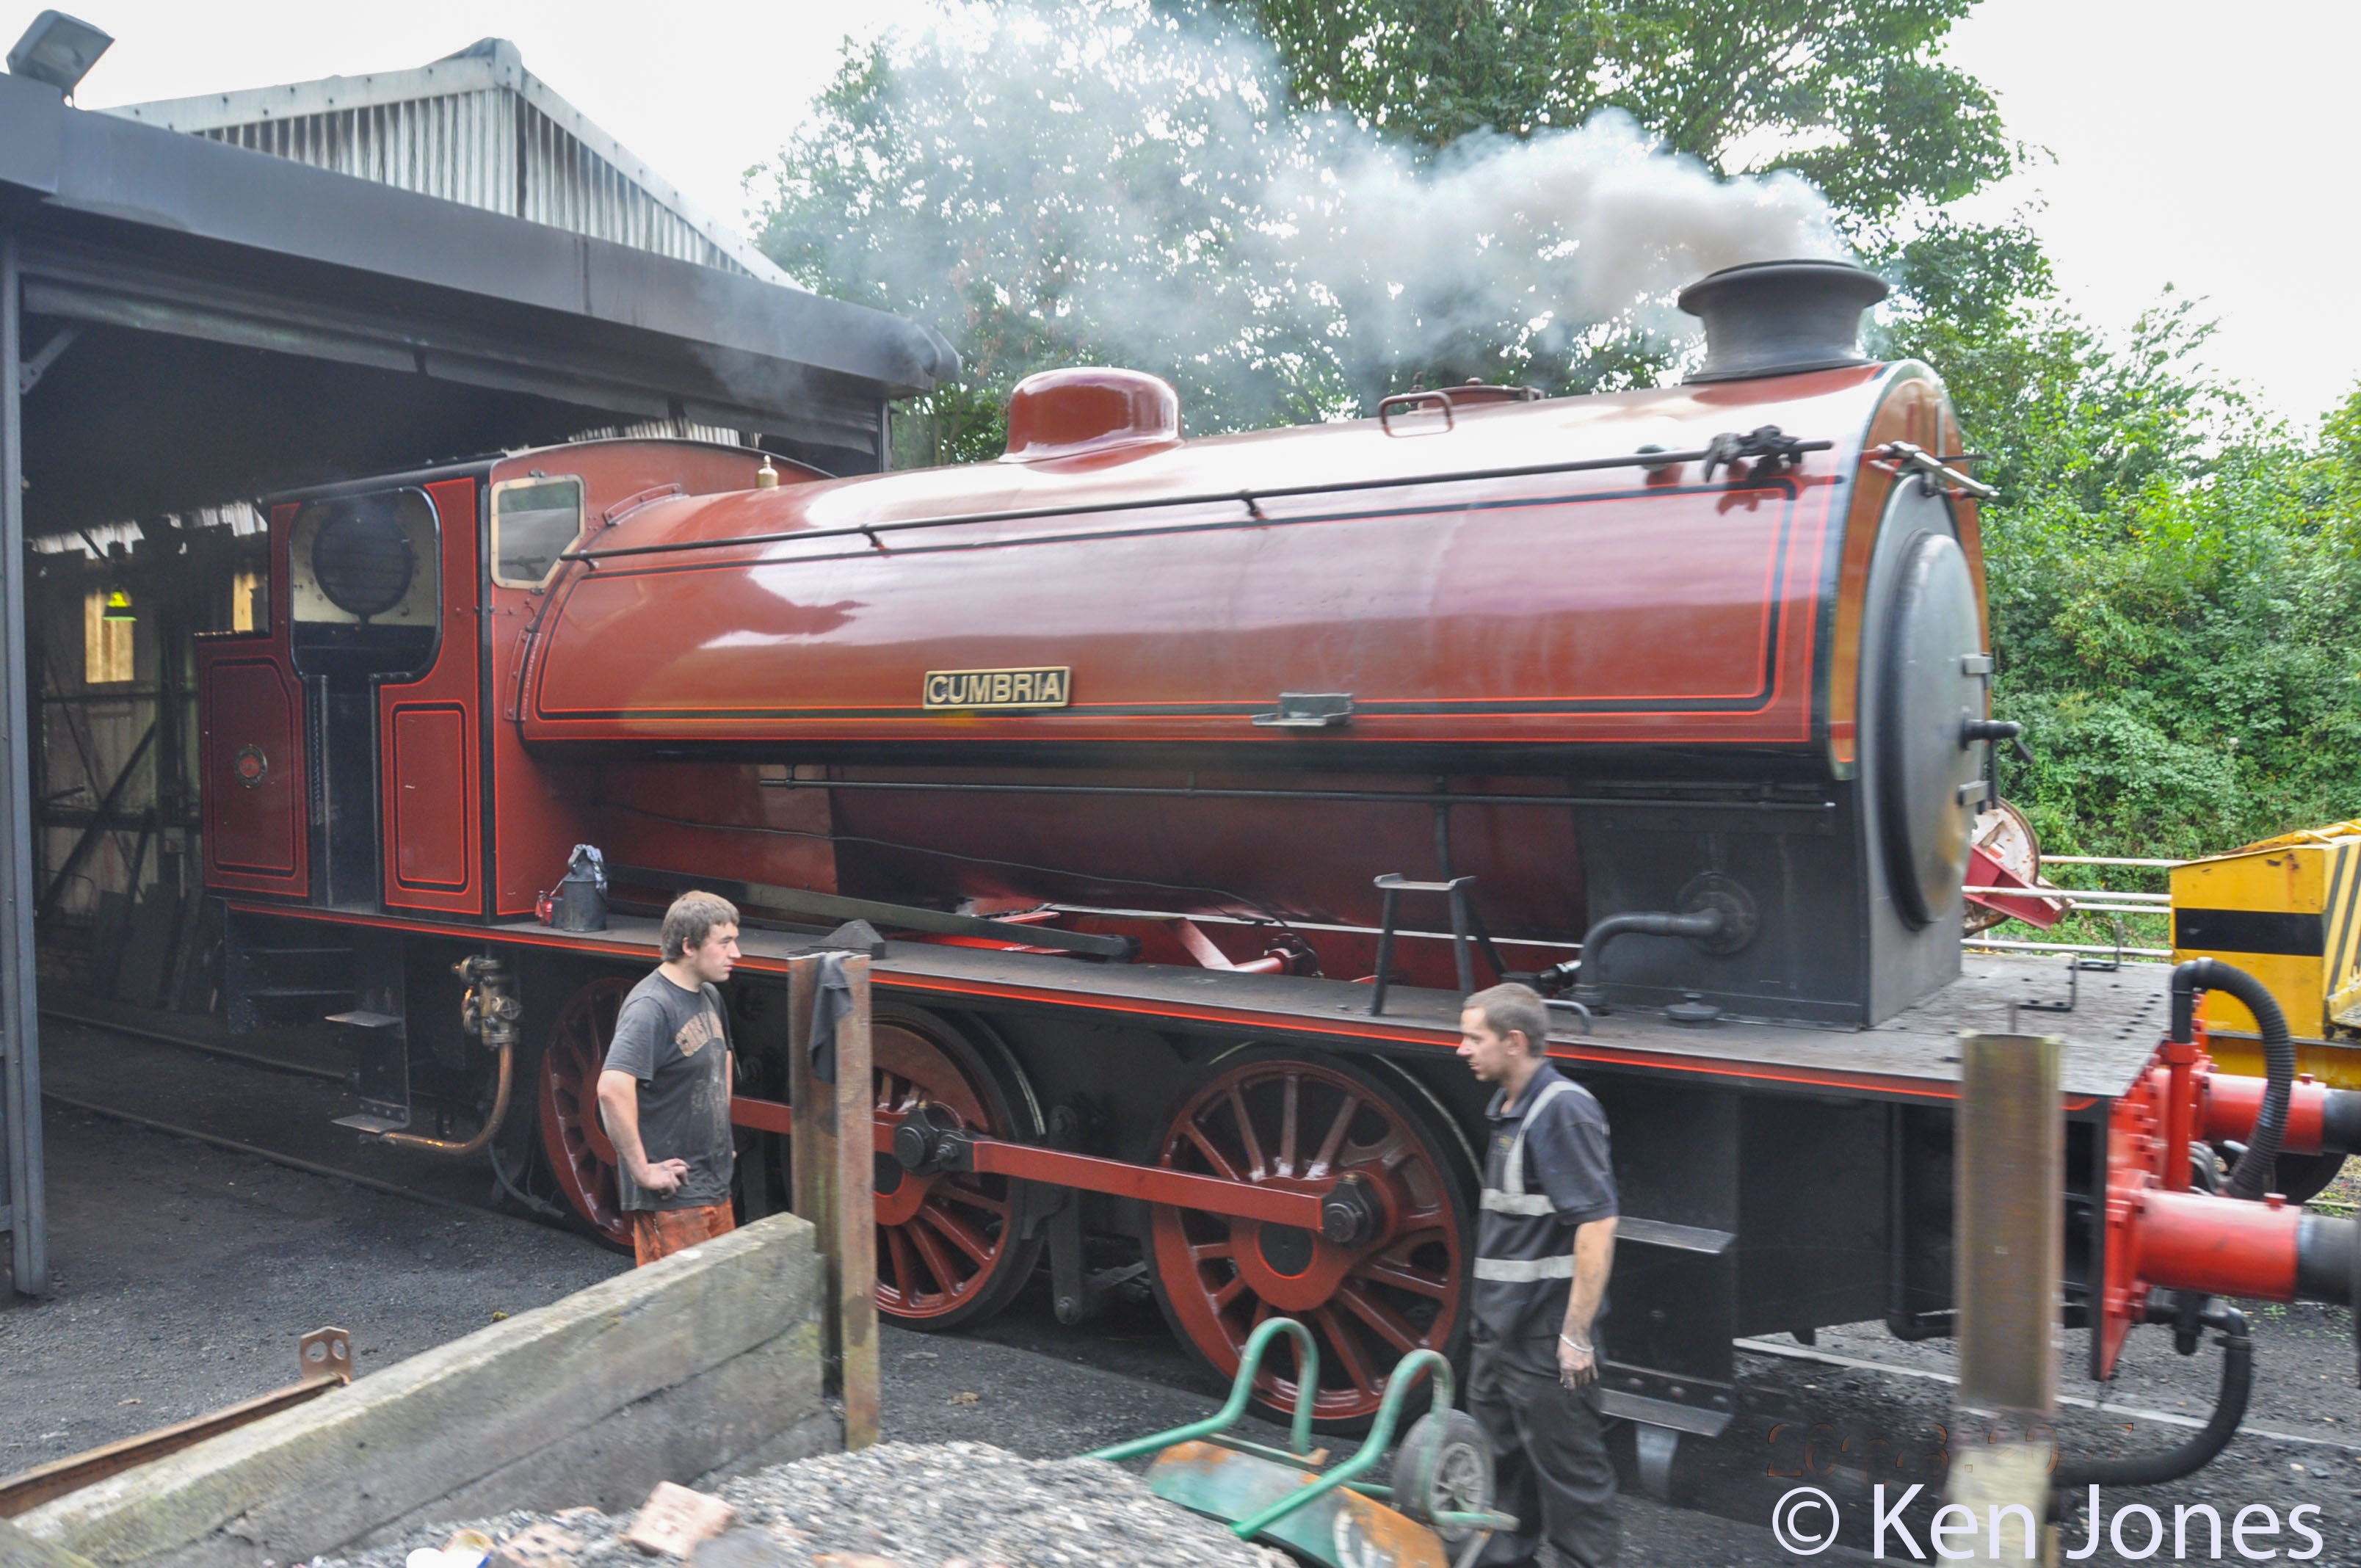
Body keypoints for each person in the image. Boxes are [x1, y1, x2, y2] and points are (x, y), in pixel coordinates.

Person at [1457, 981, 1620, 1568]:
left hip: (1543, 1344)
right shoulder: (1508, 1109)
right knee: (1500, 1496)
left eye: (1473, 1038)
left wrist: (1575, 1338)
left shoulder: (1563, 1111)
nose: (1461, 1049)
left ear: (1515, 1041)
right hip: (1499, 1339)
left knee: (1575, 1497)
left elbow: (1597, 1226)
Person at [596, 890, 742, 1266]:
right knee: (681, 1314)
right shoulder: (650, 1007)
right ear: (689, 946)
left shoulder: (709, 996)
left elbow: (722, 1059)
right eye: (725, 942)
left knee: (722, 1306)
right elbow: (612, 1089)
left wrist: (719, 1135)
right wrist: (643, 1170)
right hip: (672, 1199)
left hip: (713, 1186)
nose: (736, 953)